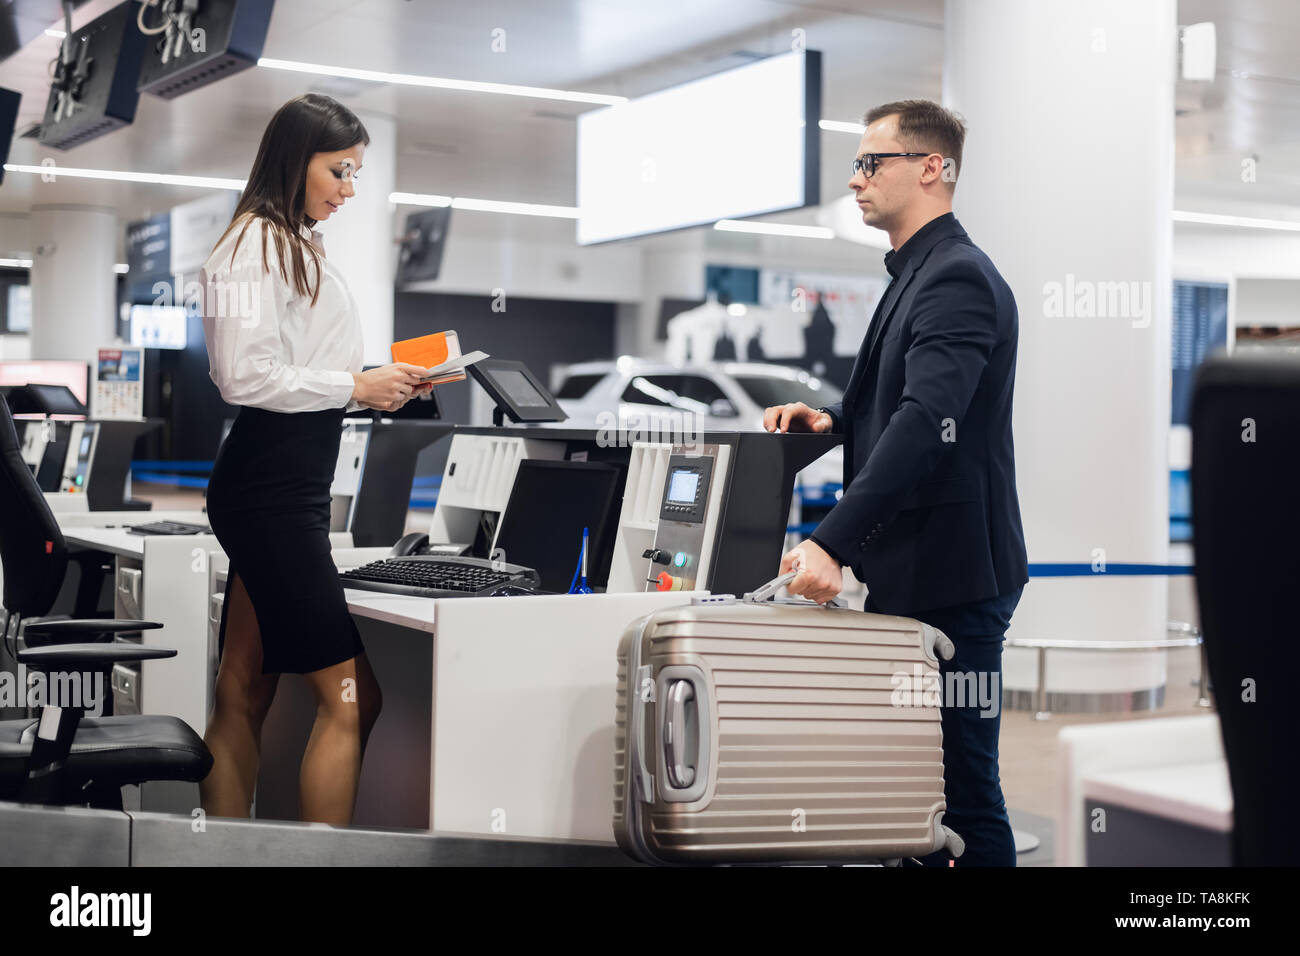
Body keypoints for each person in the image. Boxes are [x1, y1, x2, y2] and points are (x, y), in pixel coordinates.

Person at [763, 99, 1029, 866]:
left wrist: (830, 544)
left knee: (964, 788)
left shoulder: (957, 278)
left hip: (957, 573)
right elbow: (892, 404)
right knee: (922, 785)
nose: (855, 180)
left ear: (931, 168)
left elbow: (925, 423)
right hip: (920, 566)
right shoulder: (915, 272)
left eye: (870, 162)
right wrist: (832, 420)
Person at [199, 93, 430, 824]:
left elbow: (298, 369)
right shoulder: (251, 244)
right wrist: (353, 384)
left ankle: (220, 855)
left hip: (284, 483)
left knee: (243, 690)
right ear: (295, 159)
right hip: (270, 487)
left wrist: (370, 386)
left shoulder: (292, 242)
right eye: (340, 170)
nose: (349, 190)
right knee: (354, 698)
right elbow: (243, 376)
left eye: (358, 173)